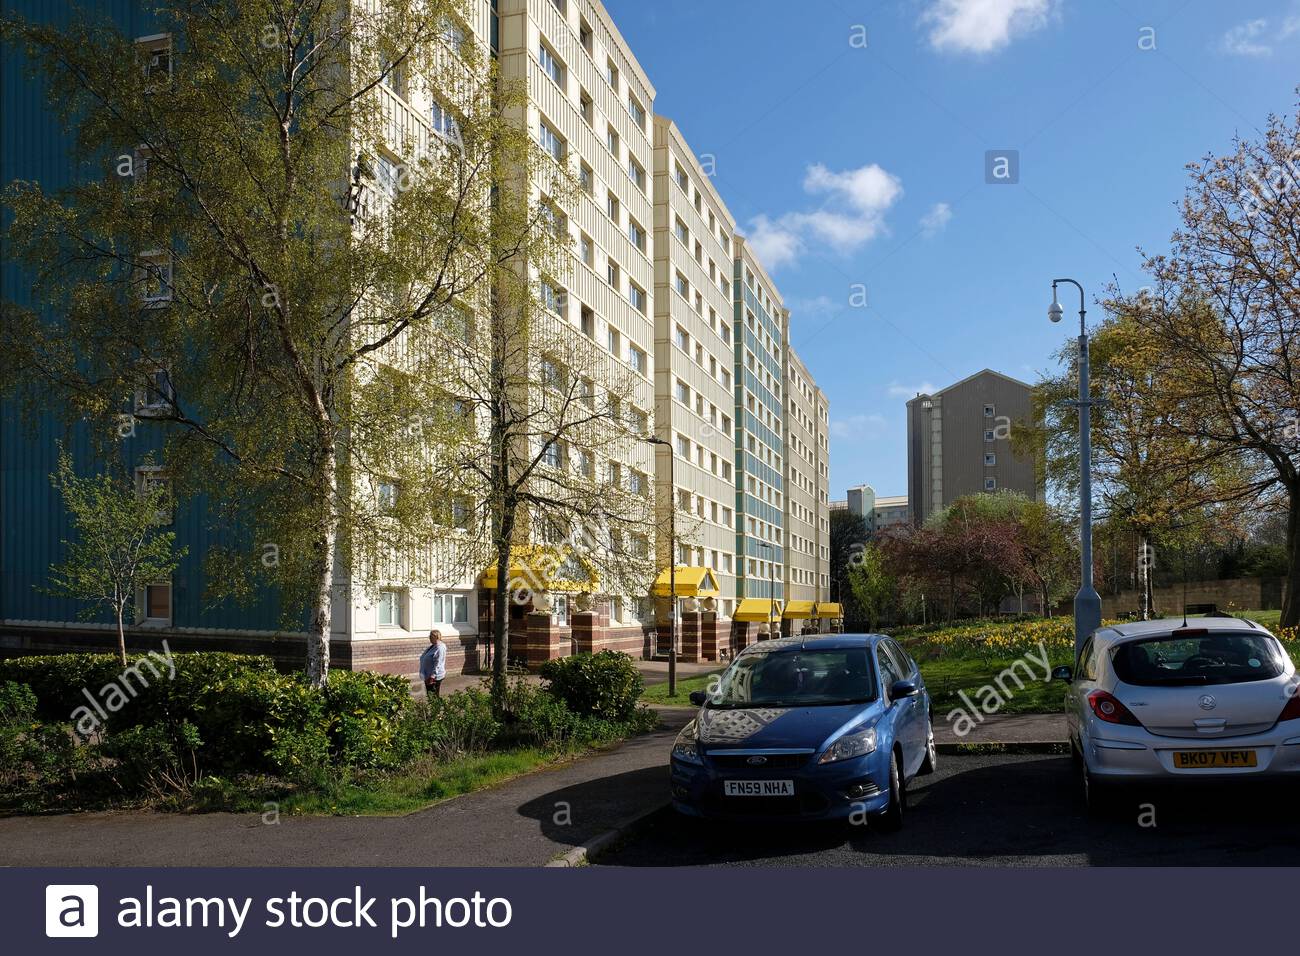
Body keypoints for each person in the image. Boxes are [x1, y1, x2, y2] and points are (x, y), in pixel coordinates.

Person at [419, 629, 446, 699]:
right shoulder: (433, 646)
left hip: (434, 677)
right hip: (428, 675)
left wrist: (433, 676)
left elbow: (438, 663)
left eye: (431, 637)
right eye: (429, 636)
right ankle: (437, 705)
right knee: (431, 695)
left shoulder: (440, 648)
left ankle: (439, 705)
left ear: (436, 637)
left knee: (433, 696)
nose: (429, 638)